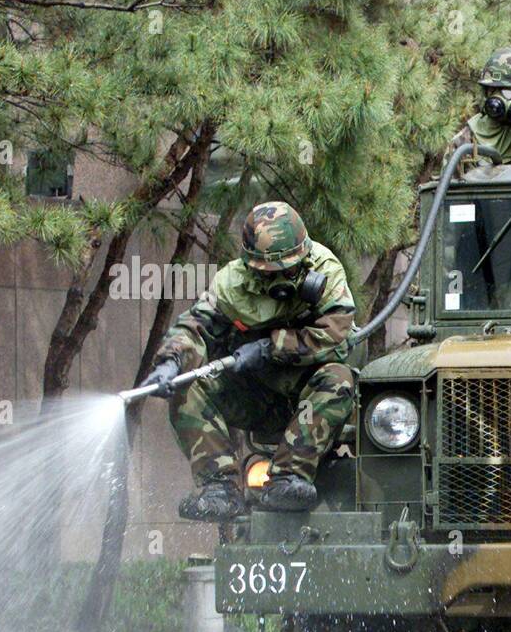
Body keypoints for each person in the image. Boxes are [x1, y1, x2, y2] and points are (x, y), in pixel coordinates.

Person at [139, 202, 357, 521]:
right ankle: (220, 489)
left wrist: (268, 348)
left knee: (338, 379)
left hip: (310, 399)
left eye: (290, 269)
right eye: (271, 272)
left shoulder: (325, 269)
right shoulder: (232, 284)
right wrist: (170, 361)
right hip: (259, 399)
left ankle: (287, 479)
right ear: (251, 266)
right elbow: (195, 326)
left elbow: (334, 333)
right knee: (191, 383)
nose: (281, 279)